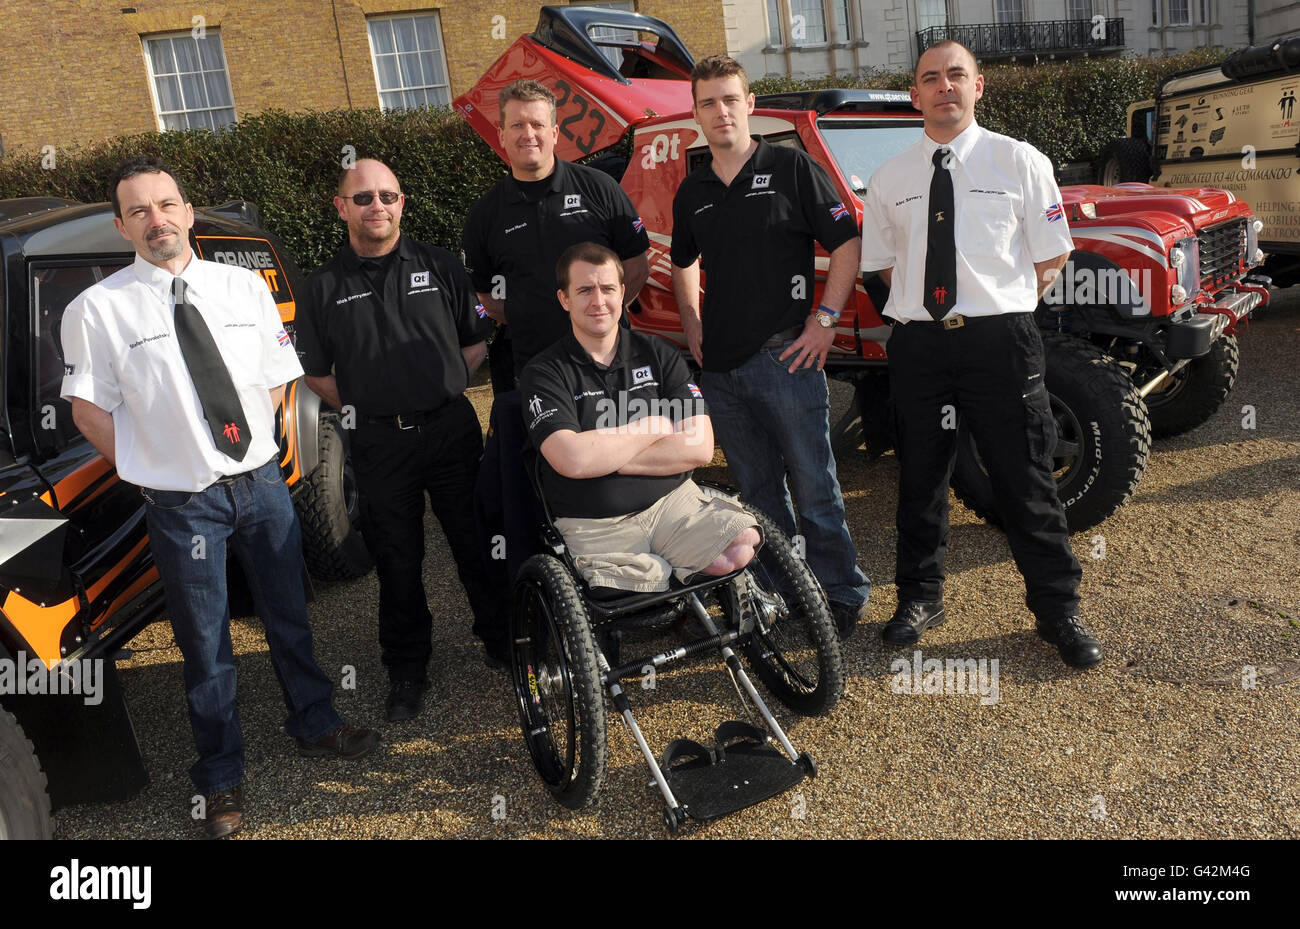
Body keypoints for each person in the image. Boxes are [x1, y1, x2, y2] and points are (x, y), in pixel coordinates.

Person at [61, 156, 379, 840]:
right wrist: (151, 468)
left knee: (288, 613)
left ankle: (316, 722)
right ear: (121, 226)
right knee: (204, 645)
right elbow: (89, 412)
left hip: (262, 484)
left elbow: (273, 377)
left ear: (188, 211)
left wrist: (250, 446)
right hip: (183, 504)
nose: (157, 220)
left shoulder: (241, 287)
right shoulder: (98, 309)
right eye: (139, 211)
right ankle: (220, 776)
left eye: (166, 204)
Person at [857, 40, 1102, 668]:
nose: (944, 87)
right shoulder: (889, 179)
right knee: (920, 476)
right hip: (919, 345)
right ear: (914, 94)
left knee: (1025, 473)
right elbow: (881, 268)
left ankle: (1057, 610)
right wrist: (929, 311)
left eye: (956, 75)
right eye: (930, 78)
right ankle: (918, 599)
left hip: (1001, 342)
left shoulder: (1020, 162)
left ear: (978, 86)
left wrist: (996, 305)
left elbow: (1051, 256)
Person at [295, 158, 509, 722]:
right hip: (378, 443)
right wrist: (371, 408)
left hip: (449, 431)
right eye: (363, 198)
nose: (377, 207)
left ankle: (503, 642)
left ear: (402, 203)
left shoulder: (439, 264)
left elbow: (473, 344)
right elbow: (317, 374)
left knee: (477, 540)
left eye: (387, 196)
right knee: (397, 558)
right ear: (341, 208)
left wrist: (438, 389)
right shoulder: (321, 288)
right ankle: (408, 669)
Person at [670, 55, 870, 637]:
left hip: (788, 358)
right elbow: (682, 260)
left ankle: (840, 593)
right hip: (721, 373)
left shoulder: (790, 167)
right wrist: (690, 319)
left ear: (750, 105)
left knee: (816, 486)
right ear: (697, 114)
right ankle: (784, 593)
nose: (721, 111)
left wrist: (825, 320)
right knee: (757, 496)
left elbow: (847, 242)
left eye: (730, 99)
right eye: (708, 102)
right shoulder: (694, 191)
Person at [463, 79, 651, 587]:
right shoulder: (485, 214)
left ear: (555, 131)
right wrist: (532, 317)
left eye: (537, 124)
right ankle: (569, 587)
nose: (529, 134)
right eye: (517, 125)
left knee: (630, 465)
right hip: (533, 369)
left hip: (614, 365)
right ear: (501, 135)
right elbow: (487, 297)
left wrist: (603, 318)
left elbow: (636, 263)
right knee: (552, 481)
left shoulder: (598, 189)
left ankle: (651, 582)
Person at [519, 242, 759, 593]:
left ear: (623, 293)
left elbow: (700, 448)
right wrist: (655, 426)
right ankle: (677, 592)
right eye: (584, 290)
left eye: (607, 289)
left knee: (738, 545)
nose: (598, 301)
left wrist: (604, 457)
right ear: (564, 299)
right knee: (639, 586)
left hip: (672, 504)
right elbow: (571, 459)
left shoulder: (659, 354)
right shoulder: (544, 372)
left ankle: (687, 600)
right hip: (595, 521)